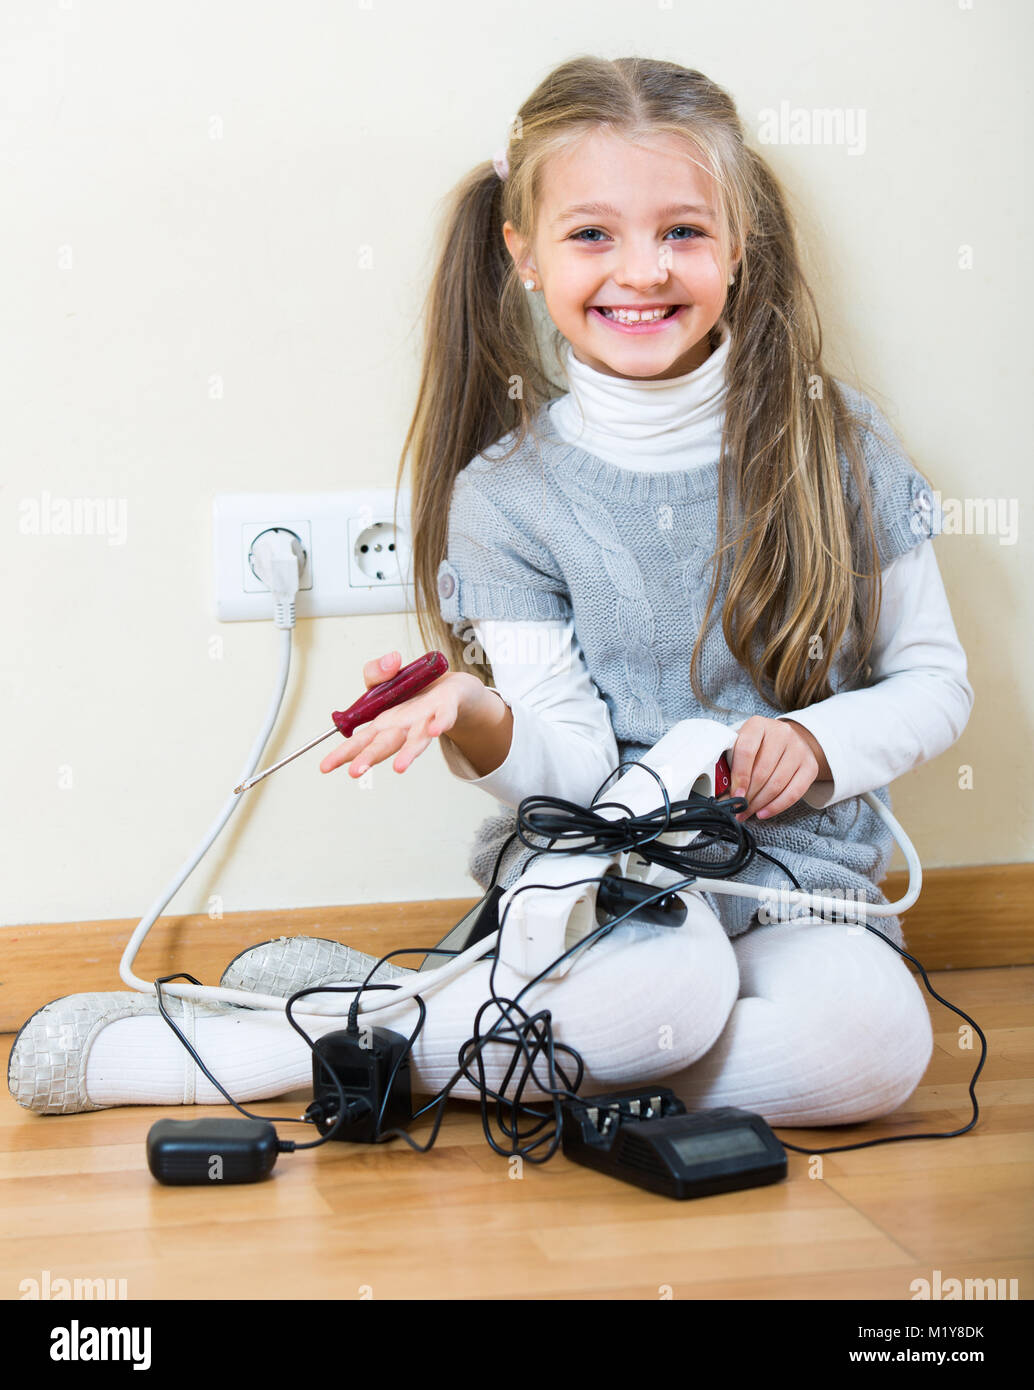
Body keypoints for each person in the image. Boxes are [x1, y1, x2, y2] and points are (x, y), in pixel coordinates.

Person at [10, 55, 972, 1130]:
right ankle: (235, 1056)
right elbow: (569, 761)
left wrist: (822, 742)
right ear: (522, 254)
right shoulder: (508, 497)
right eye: (592, 234)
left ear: (739, 245)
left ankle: (384, 1014)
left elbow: (932, 681)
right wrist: (479, 720)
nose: (642, 271)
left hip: (798, 882)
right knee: (662, 998)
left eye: (683, 233)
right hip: (609, 876)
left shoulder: (838, 444)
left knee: (867, 1053)